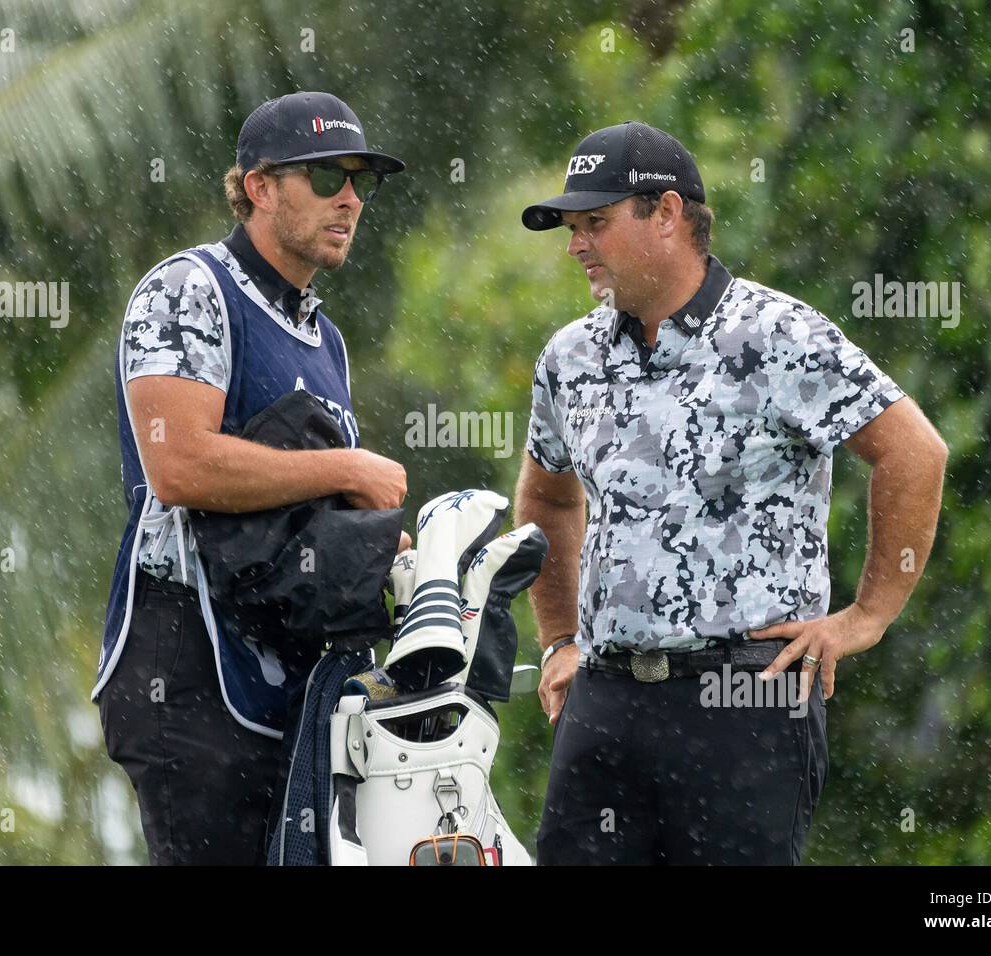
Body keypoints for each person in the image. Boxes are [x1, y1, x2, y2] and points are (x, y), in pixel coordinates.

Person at [515, 121, 948, 864]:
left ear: (668, 214)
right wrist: (558, 640)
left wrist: (867, 617)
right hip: (607, 701)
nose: (576, 243)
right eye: (571, 226)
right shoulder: (571, 356)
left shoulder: (777, 334)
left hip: (745, 701)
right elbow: (549, 499)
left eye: (596, 222)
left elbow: (914, 452)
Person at [92, 91, 409, 864]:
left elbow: (311, 513)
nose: (349, 199)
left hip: (292, 685)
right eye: (326, 175)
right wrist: (347, 466)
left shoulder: (321, 336)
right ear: (260, 187)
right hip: (189, 674)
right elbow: (178, 464)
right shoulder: (189, 289)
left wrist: (399, 564)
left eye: (361, 181)